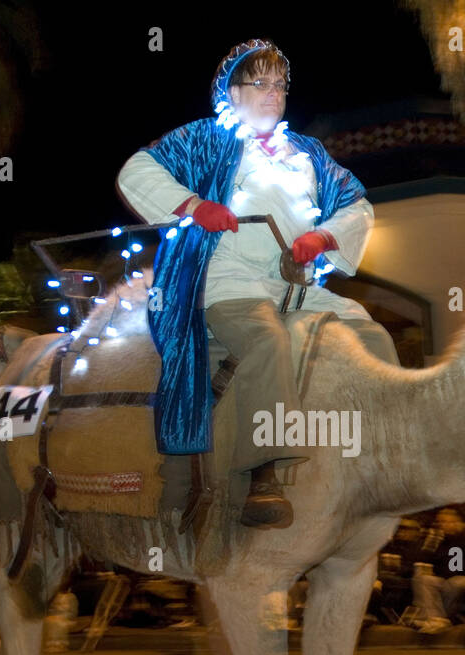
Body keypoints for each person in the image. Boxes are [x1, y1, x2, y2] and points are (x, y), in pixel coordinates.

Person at [116, 38, 394, 528]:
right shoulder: (205, 137)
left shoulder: (308, 152)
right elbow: (136, 169)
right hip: (225, 279)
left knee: (372, 334)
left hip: (297, 286)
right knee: (267, 340)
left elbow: (358, 203)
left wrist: (324, 236)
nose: (273, 94)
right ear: (232, 91)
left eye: (280, 86)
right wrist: (194, 207)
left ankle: (381, 452)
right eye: (260, 83)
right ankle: (263, 474)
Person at [410, 508, 465, 635]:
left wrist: (459, 568)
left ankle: (440, 618)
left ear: (459, 523)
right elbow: (430, 561)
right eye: (441, 523)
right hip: (445, 579)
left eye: (448, 522)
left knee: (456, 583)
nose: (444, 526)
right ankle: (436, 619)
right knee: (424, 579)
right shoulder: (441, 543)